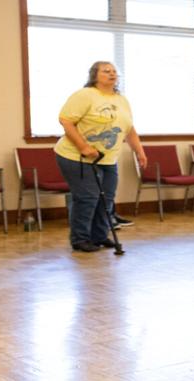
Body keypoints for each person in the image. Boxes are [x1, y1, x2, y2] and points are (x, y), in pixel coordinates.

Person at [53, 61, 145, 253]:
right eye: (106, 71)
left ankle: (100, 236)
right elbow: (66, 120)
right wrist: (84, 146)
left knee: (107, 198)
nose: (111, 74)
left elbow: (129, 128)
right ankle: (80, 239)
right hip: (76, 156)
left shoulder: (121, 99)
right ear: (95, 75)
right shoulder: (85, 95)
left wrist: (139, 151)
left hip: (107, 158)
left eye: (114, 71)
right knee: (87, 197)